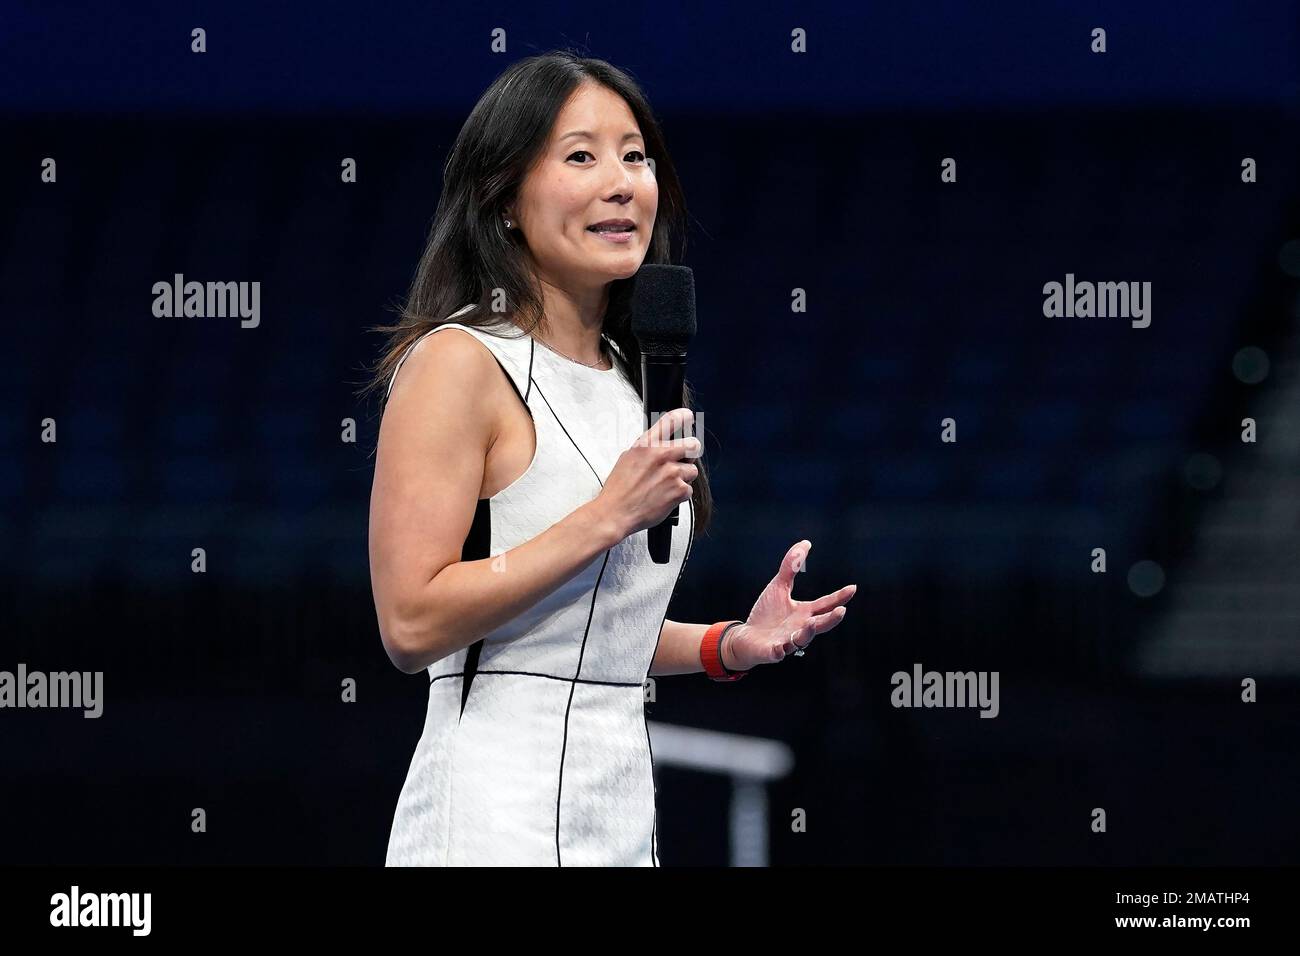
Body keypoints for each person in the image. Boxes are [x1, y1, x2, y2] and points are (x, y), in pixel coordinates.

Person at [365, 51, 857, 866]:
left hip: (621, 816)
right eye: (581, 156)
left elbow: (583, 628)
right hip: (490, 822)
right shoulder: (458, 363)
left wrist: (728, 643)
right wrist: (605, 517)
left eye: (635, 155)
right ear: (505, 200)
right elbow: (411, 623)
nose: (623, 181)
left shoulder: (639, 383)